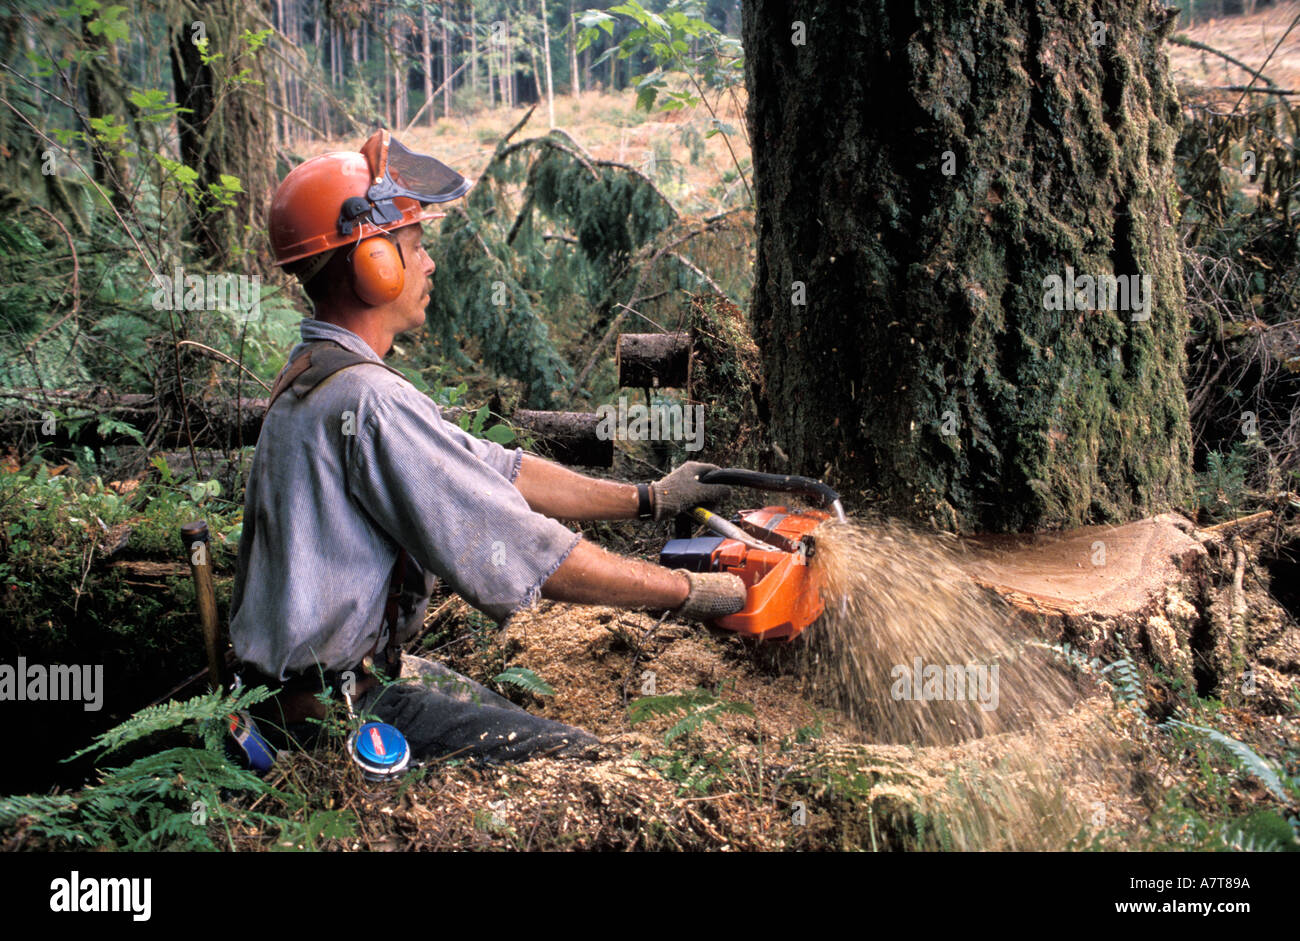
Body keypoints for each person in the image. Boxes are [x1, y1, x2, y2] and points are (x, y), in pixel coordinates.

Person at [228, 130, 747, 764]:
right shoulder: (368, 400)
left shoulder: (318, 369)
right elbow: (527, 555)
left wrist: (649, 499)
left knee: (513, 719)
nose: (429, 264)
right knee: (591, 767)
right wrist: (686, 594)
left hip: (318, 687)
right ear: (373, 265)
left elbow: (497, 468)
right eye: (414, 248)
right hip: (334, 713)